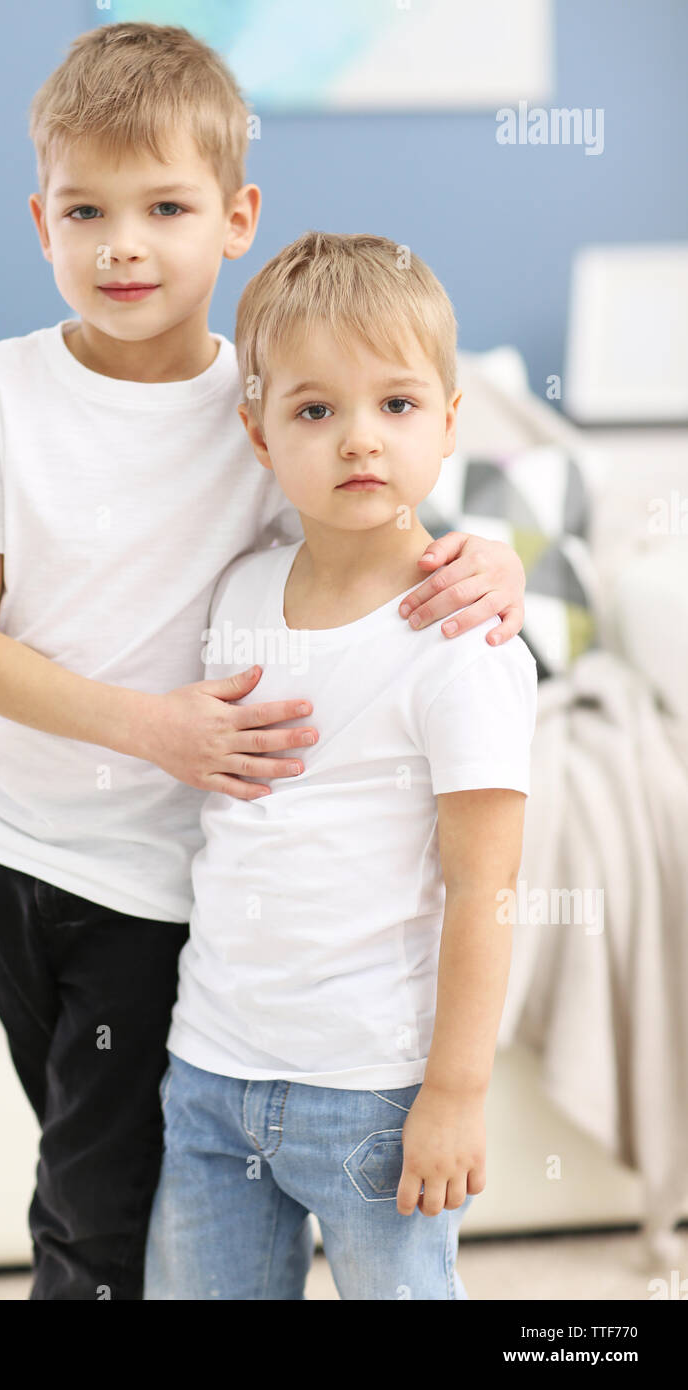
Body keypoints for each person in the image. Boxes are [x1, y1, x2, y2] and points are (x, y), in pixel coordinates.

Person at [0, 24, 528, 1301]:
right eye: (87, 210)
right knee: (82, 1157)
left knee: (96, 1193)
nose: (123, 243)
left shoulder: (275, 395)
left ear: (234, 218)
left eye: (165, 207)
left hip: (154, 878)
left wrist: (492, 553)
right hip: (5, 843)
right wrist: (147, 726)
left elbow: (369, 517)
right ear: (41, 222)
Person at [144, 231, 538, 1301]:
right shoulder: (236, 595)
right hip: (213, 1070)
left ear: (449, 421)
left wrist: (453, 1092)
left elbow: (483, 884)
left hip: (374, 1091)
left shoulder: (462, 639)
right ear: (258, 433)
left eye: (397, 406)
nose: (359, 439)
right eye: (315, 410)